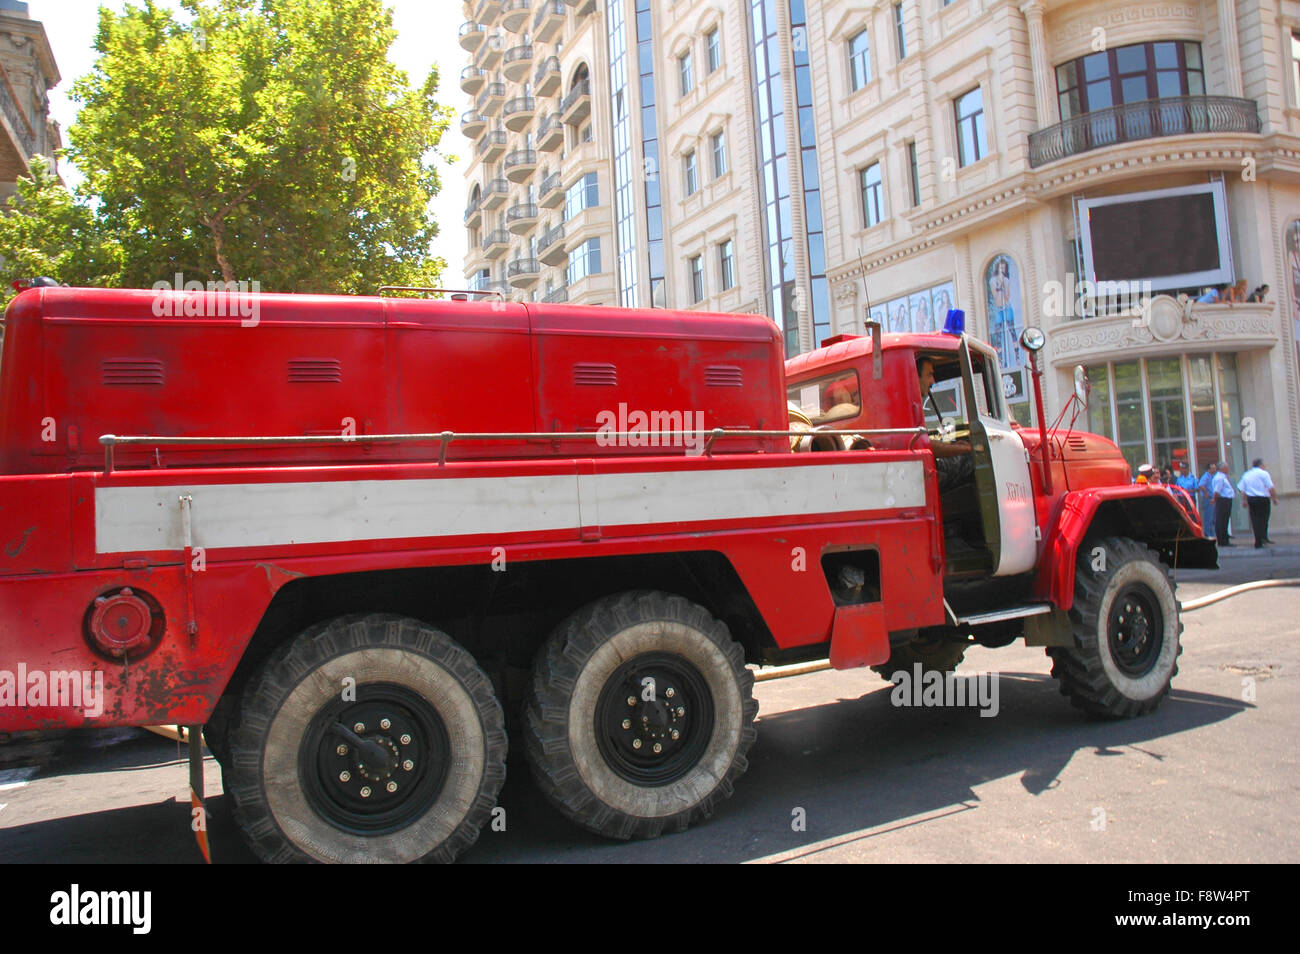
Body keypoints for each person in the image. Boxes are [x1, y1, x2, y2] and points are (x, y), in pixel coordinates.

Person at [918, 357, 972, 492]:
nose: (933, 381)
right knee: (972, 459)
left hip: (923, 466)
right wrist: (964, 449)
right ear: (915, 376)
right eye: (929, 375)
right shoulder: (906, 405)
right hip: (926, 470)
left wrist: (954, 446)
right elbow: (923, 445)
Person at [1237, 459, 1279, 548]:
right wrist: (1274, 498)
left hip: (1251, 499)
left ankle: (1259, 539)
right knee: (1264, 519)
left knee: (1255, 520)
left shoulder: (1247, 474)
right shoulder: (1264, 474)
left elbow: (1242, 489)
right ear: (1261, 465)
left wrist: (1244, 500)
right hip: (1262, 499)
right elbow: (1270, 487)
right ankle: (1262, 538)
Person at [1211, 461, 1235, 546]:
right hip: (1223, 500)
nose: (1228, 468)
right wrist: (1214, 499)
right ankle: (1223, 541)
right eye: (1226, 467)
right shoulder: (1219, 478)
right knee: (1222, 520)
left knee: (1224, 520)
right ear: (1221, 468)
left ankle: (1224, 538)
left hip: (1225, 500)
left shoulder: (1223, 477)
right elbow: (1217, 491)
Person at [1197, 461, 1217, 536]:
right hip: (1208, 499)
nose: (1215, 469)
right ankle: (1207, 533)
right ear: (1209, 469)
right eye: (1213, 468)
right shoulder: (1206, 476)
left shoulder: (1213, 476)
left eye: (1215, 468)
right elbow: (1201, 485)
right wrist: (1206, 493)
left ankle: (1212, 533)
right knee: (1208, 517)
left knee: (1212, 517)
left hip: (1213, 498)